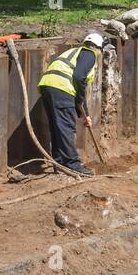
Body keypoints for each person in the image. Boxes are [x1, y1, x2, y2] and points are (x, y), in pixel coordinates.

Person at [38, 31, 104, 176]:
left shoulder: (75, 52)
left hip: (48, 86)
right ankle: (72, 164)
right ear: (99, 48)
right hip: (62, 88)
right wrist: (79, 102)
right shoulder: (90, 53)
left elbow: (78, 87)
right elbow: (79, 77)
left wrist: (84, 114)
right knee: (66, 127)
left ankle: (60, 163)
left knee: (58, 127)